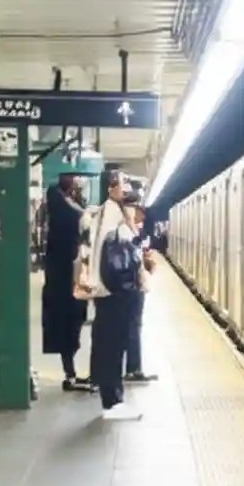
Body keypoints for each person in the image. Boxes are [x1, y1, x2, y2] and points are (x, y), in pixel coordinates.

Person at [77, 170, 142, 420]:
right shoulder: (113, 213)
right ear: (111, 188)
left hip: (106, 289)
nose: (127, 188)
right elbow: (125, 248)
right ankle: (112, 401)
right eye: (123, 183)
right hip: (113, 290)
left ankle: (112, 397)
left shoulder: (105, 212)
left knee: (109, 343)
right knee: (113, 345)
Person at [41, 173, 91, 390]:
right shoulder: (70, 213)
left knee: (65, 328)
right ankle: (70, 375)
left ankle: (69, 373)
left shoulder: (57, 207)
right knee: (71, 327)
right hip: (69, 283)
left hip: (58, 283)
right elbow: (82, 232)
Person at [122, 199, 158, 383]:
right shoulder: (128, 234)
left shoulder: (134, 233)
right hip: (132, 286)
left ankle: (133, 368)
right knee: (133, 327)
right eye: (139, 211)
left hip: (134, 285)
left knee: (131, 327)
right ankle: (133, 369)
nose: (142, 216)